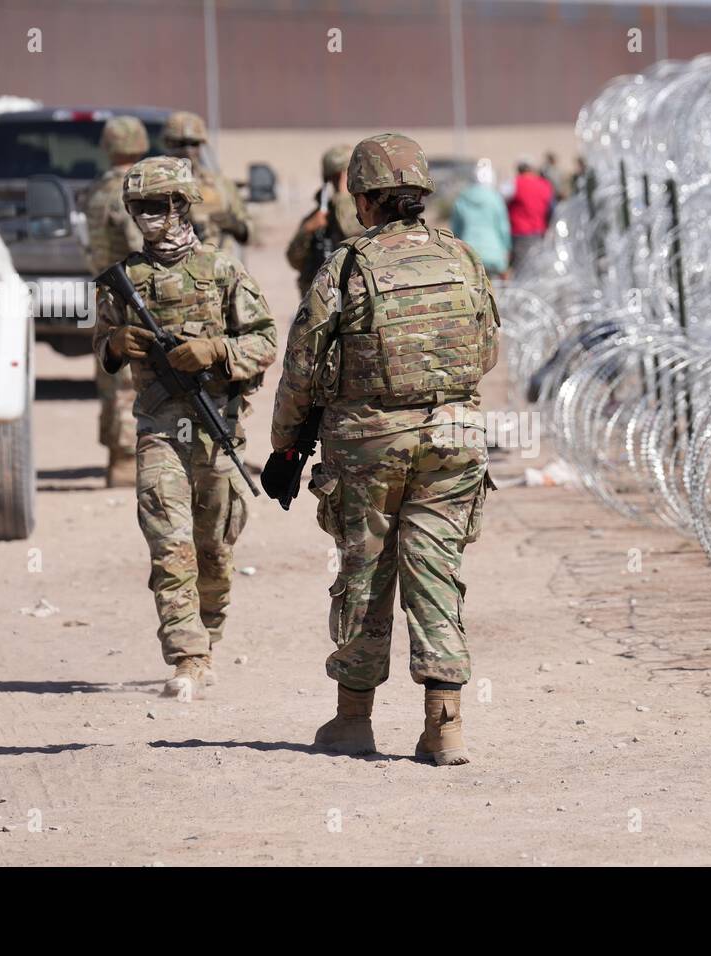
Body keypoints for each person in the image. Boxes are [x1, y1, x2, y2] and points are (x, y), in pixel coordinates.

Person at [268, 133, 501, 766]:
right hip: (454, 439)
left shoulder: (346, 266)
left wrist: (286, 445)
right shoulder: (463, 257)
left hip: (370, 446)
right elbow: (486, 351)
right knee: (436, 571)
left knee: (365, 574)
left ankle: (353, 721)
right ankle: (445, 726)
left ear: (365, 199)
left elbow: (302, 365)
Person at [91, 156, 277, 699]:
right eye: (138, 207)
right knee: (168, 541)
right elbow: (102, 344)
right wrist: (114, 344)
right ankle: (187, 655)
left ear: (180, 205)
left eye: (156, 205)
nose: (147, 216)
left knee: (214, 549)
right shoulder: (125, 280)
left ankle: (208, 634)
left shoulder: (222, 271)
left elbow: (265, 341)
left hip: (217, 428)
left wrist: (214, 351)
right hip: (159, 427)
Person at [81, 115, 148, 487]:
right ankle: (124, 459)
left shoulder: (96, 190)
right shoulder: (129, 193)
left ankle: (115, 453)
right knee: (127, 380)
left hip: (103, 294)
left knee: (109, 379)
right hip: (128, 297)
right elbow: (138, 244)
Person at [161, 111, 254, 251]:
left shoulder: (220, 184)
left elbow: (249, 232)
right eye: (180, 144)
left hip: (219, 260)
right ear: (167, 144)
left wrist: (235, 225)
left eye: (194, 143)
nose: (187, 150)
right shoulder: (153, 185)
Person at [286, 143, 365, 297]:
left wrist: (343, 196)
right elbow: (294, 259)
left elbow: (351, 230)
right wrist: (307, 230)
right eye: (334, 178)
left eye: (341, 176)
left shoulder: (366, 211)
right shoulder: (320, 215)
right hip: (321, 298)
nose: (338, 182)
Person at [450, 158, 510, 278]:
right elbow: (503, 228)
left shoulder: (462, 198)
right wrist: (506, 249)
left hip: (468, 252)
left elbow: (455, 229)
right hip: (494, 253)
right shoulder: (495, 198)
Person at [506, 155, 554, 273]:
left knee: (521, 269)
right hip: (539, 232)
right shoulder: (545, 184)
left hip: (519, 232)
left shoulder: (514, 183)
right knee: (535, 268)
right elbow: (551, 209)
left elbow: (503, 203)